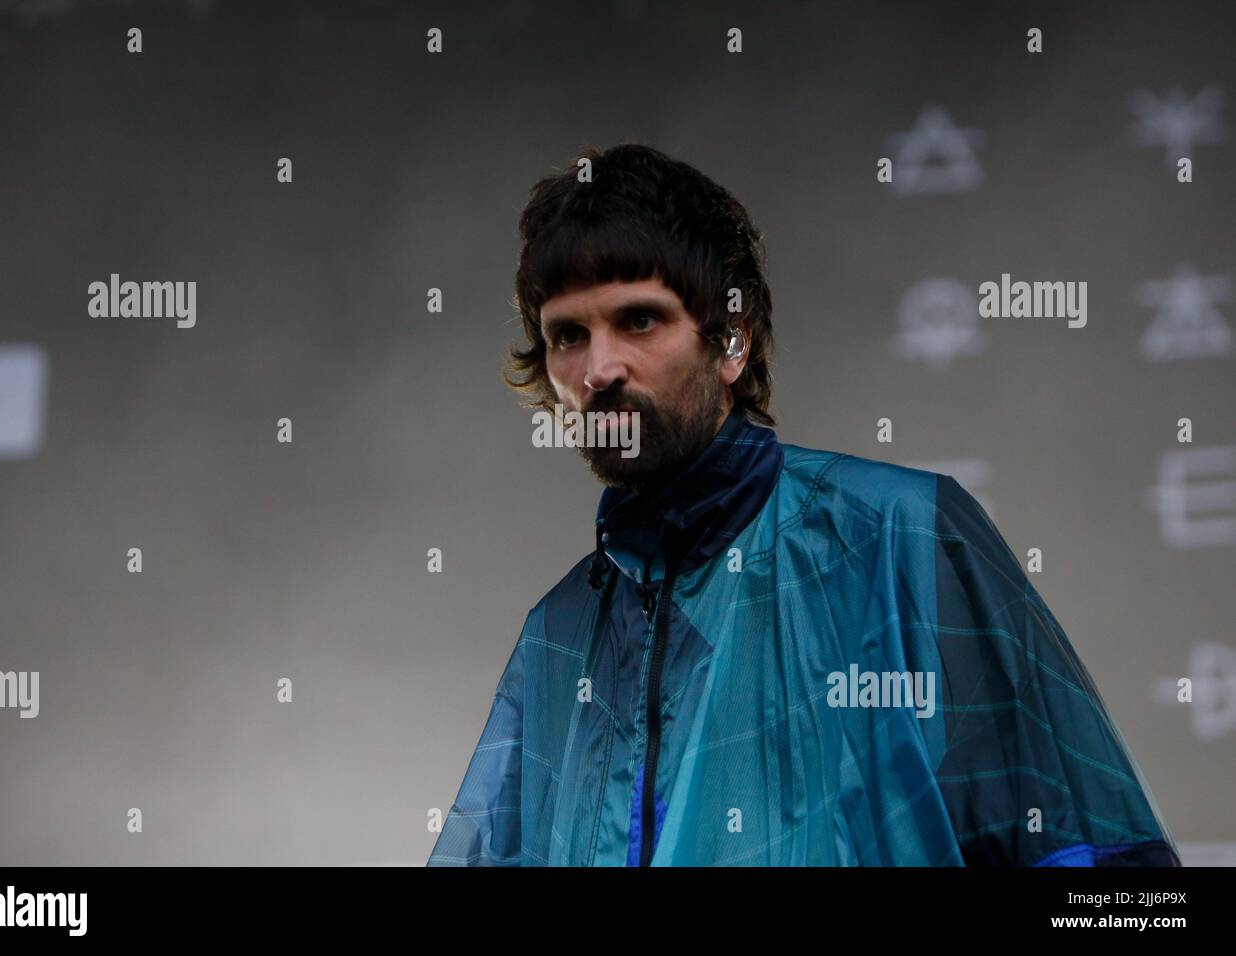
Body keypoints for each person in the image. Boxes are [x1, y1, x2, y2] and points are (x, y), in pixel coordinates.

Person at [426, 143, 1181, 867]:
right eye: (567, 335)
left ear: (731, 342)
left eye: (639, 320)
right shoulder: (556, 638)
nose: (599, 367)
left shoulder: (902, 538)